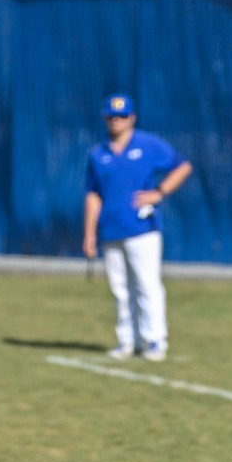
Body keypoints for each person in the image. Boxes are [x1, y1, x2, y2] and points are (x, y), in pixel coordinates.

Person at [82, 94, 190, 362]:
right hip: (110, 229)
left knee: (146, 284)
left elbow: (182, 166)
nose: (116, 121)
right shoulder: (98, 154)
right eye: (111, 116)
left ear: (132, 118)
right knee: (120, 289)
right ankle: (126, 340)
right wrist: (89, 232)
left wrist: (159, 192)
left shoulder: (148, 145)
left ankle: (154, 340)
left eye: (122, 116)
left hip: (142, 228)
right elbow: (93, 195)